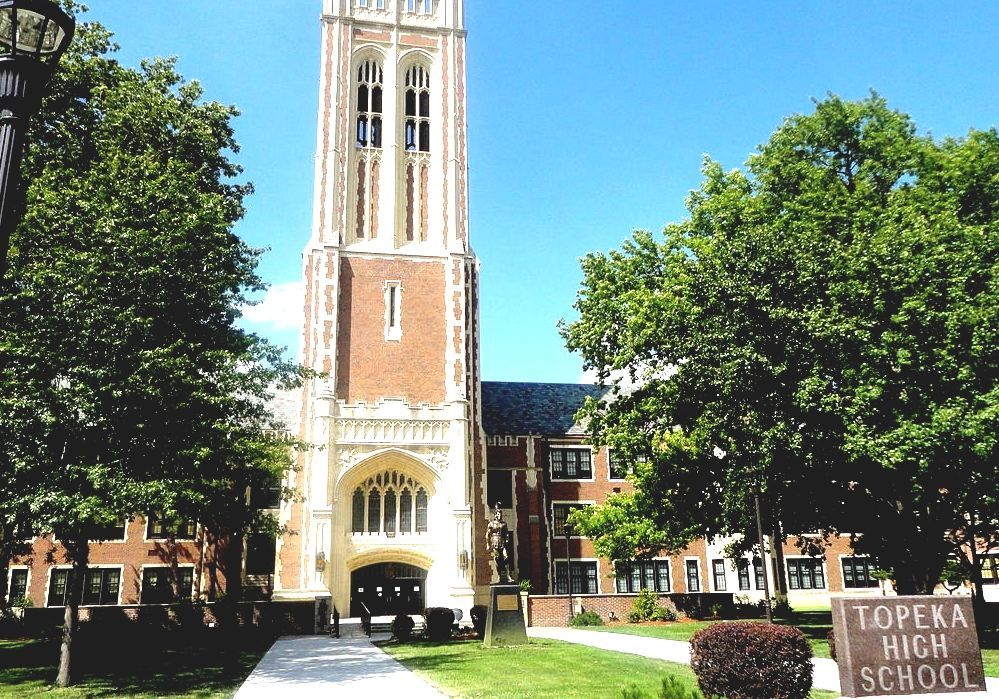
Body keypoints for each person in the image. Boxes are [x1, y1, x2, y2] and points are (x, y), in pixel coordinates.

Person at [485, 503, 511, 584]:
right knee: (497, 560)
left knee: (506, 557)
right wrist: (488, 544)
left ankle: (508, 576)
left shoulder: (503, 523)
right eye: (498, 514)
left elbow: (506, 533)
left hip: (502, 542)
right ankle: (499, 576)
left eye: (500, 514)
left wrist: (507, 539)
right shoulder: (491, 524)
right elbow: (487, 535)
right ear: (496, 515)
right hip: (495, 542)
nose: (499, 515)